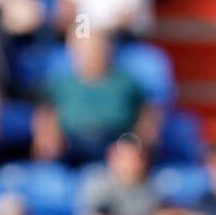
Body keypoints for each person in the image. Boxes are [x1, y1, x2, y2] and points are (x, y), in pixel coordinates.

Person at [33, 31, 156, 164]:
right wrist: (47, 134)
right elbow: (44, 112)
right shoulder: (61, 83)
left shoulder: (126, 83)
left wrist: (135, 144)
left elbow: (147, 115)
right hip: (69, 146)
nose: (90, 55)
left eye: (95, 49)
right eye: (83, 51)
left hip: (114, 146)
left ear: (108, 50)